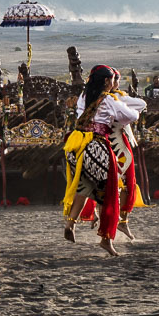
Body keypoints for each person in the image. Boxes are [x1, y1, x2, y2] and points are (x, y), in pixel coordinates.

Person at [63, 64, 142, 256]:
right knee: (111, 193)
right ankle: (106, 239)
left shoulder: (84, 96)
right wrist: (121, 104)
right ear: (107, 81)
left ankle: (70, 223)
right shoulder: (108, 100)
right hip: (97, 146)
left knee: (84, 183)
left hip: (76, 146)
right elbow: (133, 114)